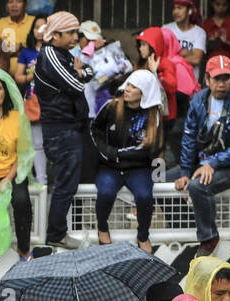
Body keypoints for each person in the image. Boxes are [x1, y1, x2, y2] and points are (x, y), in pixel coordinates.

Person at [173, 54, 230, 256]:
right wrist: (184, 170)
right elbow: (189, 136)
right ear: (207, 79)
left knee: (197, 185)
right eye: (217, 78)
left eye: (226, 78)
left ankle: (208, 237)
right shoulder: (199, 100)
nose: (222, 84)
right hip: (202, 162)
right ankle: (187, 226)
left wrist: (214, 163)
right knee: (163, 179)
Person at [33, 12, 93, 249]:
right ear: (55, 35)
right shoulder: (50, 54)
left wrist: (79, 72)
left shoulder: (63, 54)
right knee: (65, 184)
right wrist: (77, 73)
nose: (76, 37)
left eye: (76, 32)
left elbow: (88, 72)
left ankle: (59, 232)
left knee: (69, 183)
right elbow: (78, 83)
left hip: (69, 128)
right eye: (70, 33)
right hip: (60, 129)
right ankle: (56, 234)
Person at [92, 70, 164, 253]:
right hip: (110, 166)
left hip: (138, 168)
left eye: (134, 87)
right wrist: (109, 153)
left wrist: (118, 154)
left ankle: (142, 235)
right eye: (128, 84)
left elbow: (148, 149)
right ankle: (102, 227)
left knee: (145, 196)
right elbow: (94, 130)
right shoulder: (112, 106)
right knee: (106, 192)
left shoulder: (153, 114)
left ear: (144, 92)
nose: (127, 89)